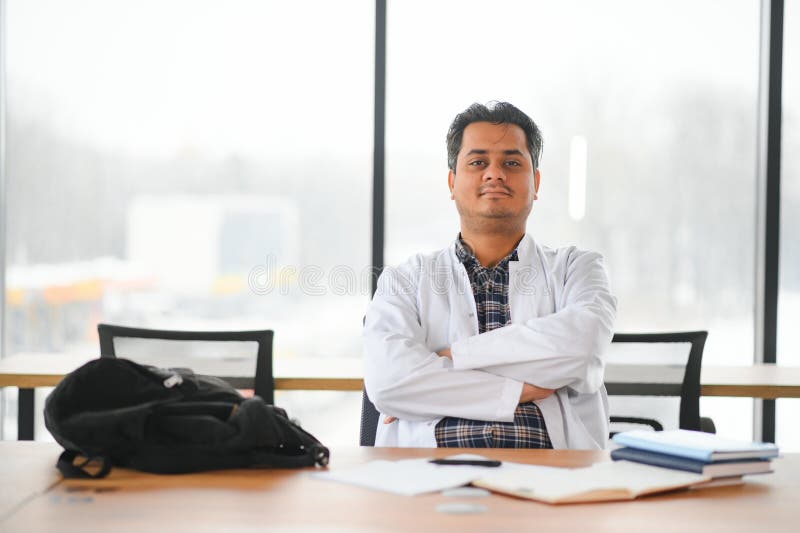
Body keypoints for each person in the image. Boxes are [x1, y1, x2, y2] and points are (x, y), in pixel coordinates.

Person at [363, 101, 617, 448]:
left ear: (536, 182)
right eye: (478, 162)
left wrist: (451, 358)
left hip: (554, 481)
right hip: (426, 479)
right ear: (452, 182)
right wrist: (522, 388)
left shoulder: (578, 268)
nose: (494, 173)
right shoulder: (403, 280)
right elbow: (390, 382)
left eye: (512, 163)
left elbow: (582, 350)